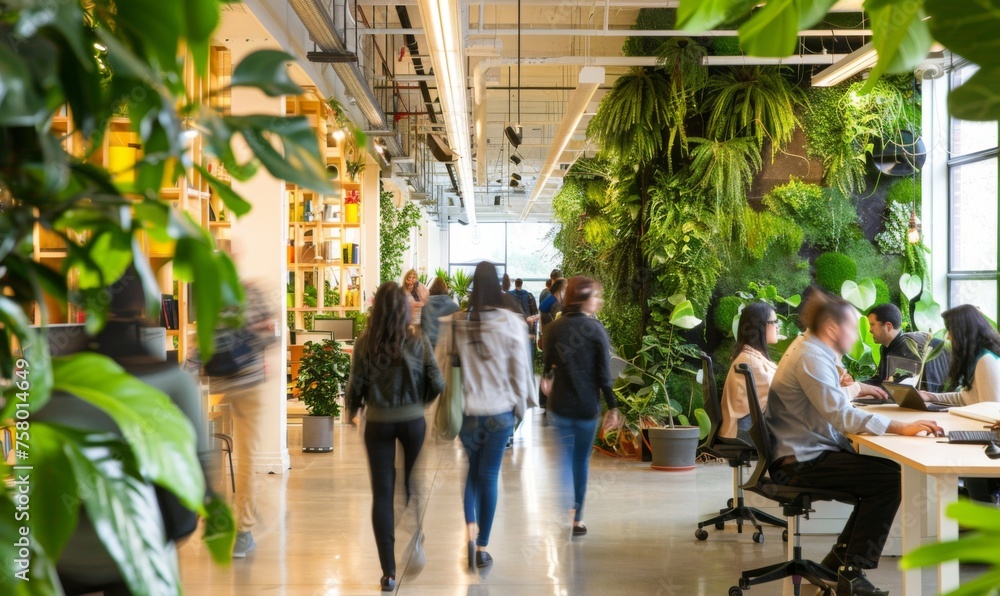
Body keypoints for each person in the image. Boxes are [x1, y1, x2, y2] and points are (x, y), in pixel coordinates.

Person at [34, 265, 214, 594]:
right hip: (141, 547)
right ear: (147, 307)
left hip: (59, 548)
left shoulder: (49, 382)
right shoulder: (173, 382)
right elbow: (195, 476)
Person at [766, 290, 943, 596]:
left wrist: (855, 387)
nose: (858, 333)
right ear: (833, 328)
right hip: (800, 462)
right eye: (852, 326)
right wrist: (900, 427)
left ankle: (840, 561)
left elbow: (831, 402)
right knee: (891, 479)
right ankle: (851, 573)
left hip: (801, 452)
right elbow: (841, 416)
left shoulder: (811, 350)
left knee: (883, 475)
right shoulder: (810, 356)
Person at [346, 282, 445, 592]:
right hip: (412, 422)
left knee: (382, 495)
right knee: (411, 484)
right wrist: (421, 402)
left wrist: (353, 409)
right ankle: (414, 528)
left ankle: (388, 572)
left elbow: (355, 385)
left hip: (377, 424)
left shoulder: (366, 342)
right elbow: (437, 381)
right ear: (405, 309)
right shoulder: (417, 341)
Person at [436, 261, 533, 570]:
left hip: (466, 413)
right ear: (498, 286)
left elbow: (443, 368)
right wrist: (523, 406)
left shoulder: (457, 322)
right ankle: (482, 548)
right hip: (500, 413)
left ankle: (468, 532)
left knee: (472, 474)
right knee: (489, 476)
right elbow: (521, 371)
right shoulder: (511, 322)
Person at [202, 279, 279, 558]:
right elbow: (274, 335)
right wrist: (261, 331)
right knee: (246, 457)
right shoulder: (252, 292)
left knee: (211, 449)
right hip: (249, 385)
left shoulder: (210, 294)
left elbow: (200, 344)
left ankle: (214, 516)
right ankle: (243, 531)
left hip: (219, 384)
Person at [543, 277, 619, 536]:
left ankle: (567, 505)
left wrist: (547, 380)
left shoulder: (553, 328)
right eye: (595, 296)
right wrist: (613, 407)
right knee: (580, 462)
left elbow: (548, 365)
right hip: (587, 407)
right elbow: (604, 374)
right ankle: (578, 518)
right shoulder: (596, 329)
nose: (599, 301)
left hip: (560, 406)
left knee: (565, 459)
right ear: (583, 299)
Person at [720, 302, 779, 444]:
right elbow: (781, 392)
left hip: (746, 427)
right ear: (760, 326)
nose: (778, 327)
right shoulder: (752, 361)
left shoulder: (750, 356)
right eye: (774, 322)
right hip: (746, 431)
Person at [920, 304, 1000, 406]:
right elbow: (966, 398)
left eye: (950, 330)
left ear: (963, 332)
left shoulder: (986, 360)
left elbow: (991, 413)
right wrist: (930, 396)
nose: (948, 336)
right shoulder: (980, 356)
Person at [866, 303, 949, 392]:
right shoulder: (886, 347)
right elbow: (881, 381)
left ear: (888, 326)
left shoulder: (908, 347)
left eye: (872, 325)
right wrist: (856, 385)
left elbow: (903, 385)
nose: (870, 330)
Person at [421, 276, 460, 347]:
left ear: (431, 289)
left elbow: (421, 326)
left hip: (428, 345)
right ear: (445, 290)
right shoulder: (454, 307)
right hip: (446, 347)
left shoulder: (424, 305)